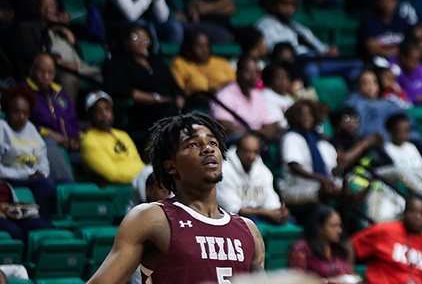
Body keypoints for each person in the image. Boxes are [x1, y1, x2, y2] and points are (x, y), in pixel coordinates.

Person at [84, 112, 265, 284]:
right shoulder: (151, 218)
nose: (208, 149)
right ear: (171, 166)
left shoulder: (249, 230)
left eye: (213, 143)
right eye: (193, 144)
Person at [256, 0, 357, 82]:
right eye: (284, 4)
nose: (289, 9)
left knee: (356, 66)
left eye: (292, 5)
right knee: (310, 68)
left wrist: (328, 51)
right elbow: (275, 51)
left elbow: (318, 45)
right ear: (274, 5)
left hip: (318, 60)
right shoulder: (266, 24)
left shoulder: (297, 27)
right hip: (299, 63)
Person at [108, 26, 185, 131]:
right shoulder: (120, 63)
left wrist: (179, 101)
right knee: (169, 113)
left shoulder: (157, 62)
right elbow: (125, 91)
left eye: (145, 39)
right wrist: (156, 99)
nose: (141, 42)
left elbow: (175, 87)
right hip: (141, 108)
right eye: (136, 38)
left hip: (169, 106)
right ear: (126, 42)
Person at [354, 195, 422, 284]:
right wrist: (348, 273)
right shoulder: (385, 230)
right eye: (413, 211)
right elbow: (351, 245)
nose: (417, 217)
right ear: (404, 213)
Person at [0, 88, 57, 218]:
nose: (21, 117)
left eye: (26, 113)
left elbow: (42, 157)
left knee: (65, 183)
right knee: (45, 185)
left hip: (34, 177)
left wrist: (42, 173)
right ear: (7, 111)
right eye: (16, 112)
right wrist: (26, 174)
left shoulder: (30, 128)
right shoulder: (2, 129)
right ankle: (42, 219)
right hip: (12, 179)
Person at [215, 132, 290, 225]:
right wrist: (266, 212)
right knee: (251, 221)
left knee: (289, 221)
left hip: (260, 215)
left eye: (255, 152)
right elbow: (232, 209)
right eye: (247, 151)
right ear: (238, 150)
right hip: (233, 220)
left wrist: (279, 210)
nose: (251, 156)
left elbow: (270, 198)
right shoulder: (224, 171)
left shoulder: (262, 170)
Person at [24, 53, 79, 180]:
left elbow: (73, 119)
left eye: (50, 73)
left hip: (70, 147)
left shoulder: (59, 92)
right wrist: (46, 133)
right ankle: (67, 189)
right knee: (50, 145)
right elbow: (23, 123)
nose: (46, 77)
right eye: (41, 72)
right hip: (45, 146)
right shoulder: (24, 92)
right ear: (32, 71)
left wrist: (78, 136)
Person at [279, 100, 341, 206]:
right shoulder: (291, 137)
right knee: (331, 190)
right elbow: (295, 168)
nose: (306, 118)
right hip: (297, 185)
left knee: (346, 185)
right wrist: (322, 179)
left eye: (310, 114)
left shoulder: (320, 141)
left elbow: (333, 170)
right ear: (294, 117)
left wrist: (341, 166)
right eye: (301, 115)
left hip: (321, 183)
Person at [210, 56, 286, 141]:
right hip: (235, 144)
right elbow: (226, 127)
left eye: (256, 72)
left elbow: (267, 124)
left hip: (259, 141)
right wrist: (259, 132)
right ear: (238, 73)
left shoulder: (257, 95)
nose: (253, 76)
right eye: (248, 72)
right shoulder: (224, 95)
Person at [79, 91, 146, 185]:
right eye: (98, 111)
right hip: (119, 189)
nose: (104, 114)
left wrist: (145, 175)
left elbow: (139, 164)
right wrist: (142, 178)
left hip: (139, 182)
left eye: (107, 109)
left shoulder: (122, 134)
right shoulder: (89, 141)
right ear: (90, 115)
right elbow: (113, 175)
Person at [379, 113, 422, 199]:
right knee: (406, 172)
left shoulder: (411, 147)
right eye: (402, 130)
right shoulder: (386, 148)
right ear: (391, 131)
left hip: (419, 180)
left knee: (420, 172)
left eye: (408, 130)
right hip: (401, 185)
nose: (406, 133)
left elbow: (421, 169)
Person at [171, 30, 236, 101]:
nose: (205, 49)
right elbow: (179, 92)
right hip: (195, 105)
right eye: (199, 46)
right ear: (189, 47)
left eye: (207, 45)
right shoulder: (180, 63)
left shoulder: (221, 62)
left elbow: (235, 83)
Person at [345, 68, 407, 139]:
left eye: (374, 82)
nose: (371, 87)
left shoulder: (387, 104)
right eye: (365, 83)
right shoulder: (354, 103)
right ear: (358, 86)